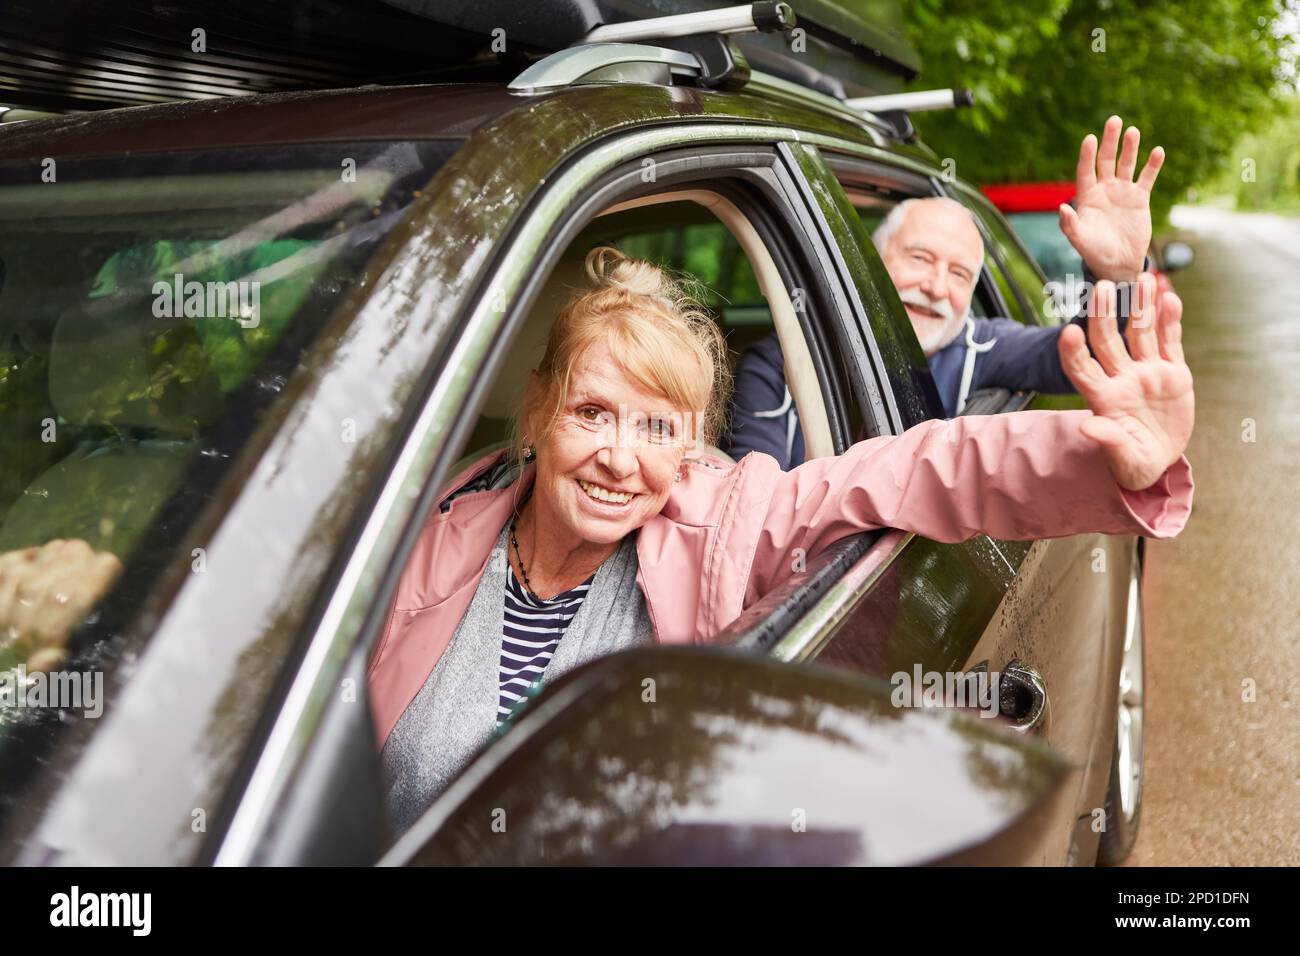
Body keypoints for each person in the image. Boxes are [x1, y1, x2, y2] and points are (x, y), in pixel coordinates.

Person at [0, 244, 1195, 835]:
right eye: (593, 412)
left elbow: (915, 467)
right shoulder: (444, 516)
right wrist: (107, 588)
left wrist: (1102, 458)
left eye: (658, 423)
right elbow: (278, 591)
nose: (622, 455)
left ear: (691, 443)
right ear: (538, 417)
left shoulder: (725, 517)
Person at [726, 115, 1167, 468]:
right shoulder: (782, 365)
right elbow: (749, 509)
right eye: (919, 259)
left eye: (959, 274)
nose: (936, 287)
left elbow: (1089, 354)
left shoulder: (979, 346)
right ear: (871, 265)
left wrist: (1116, 275)